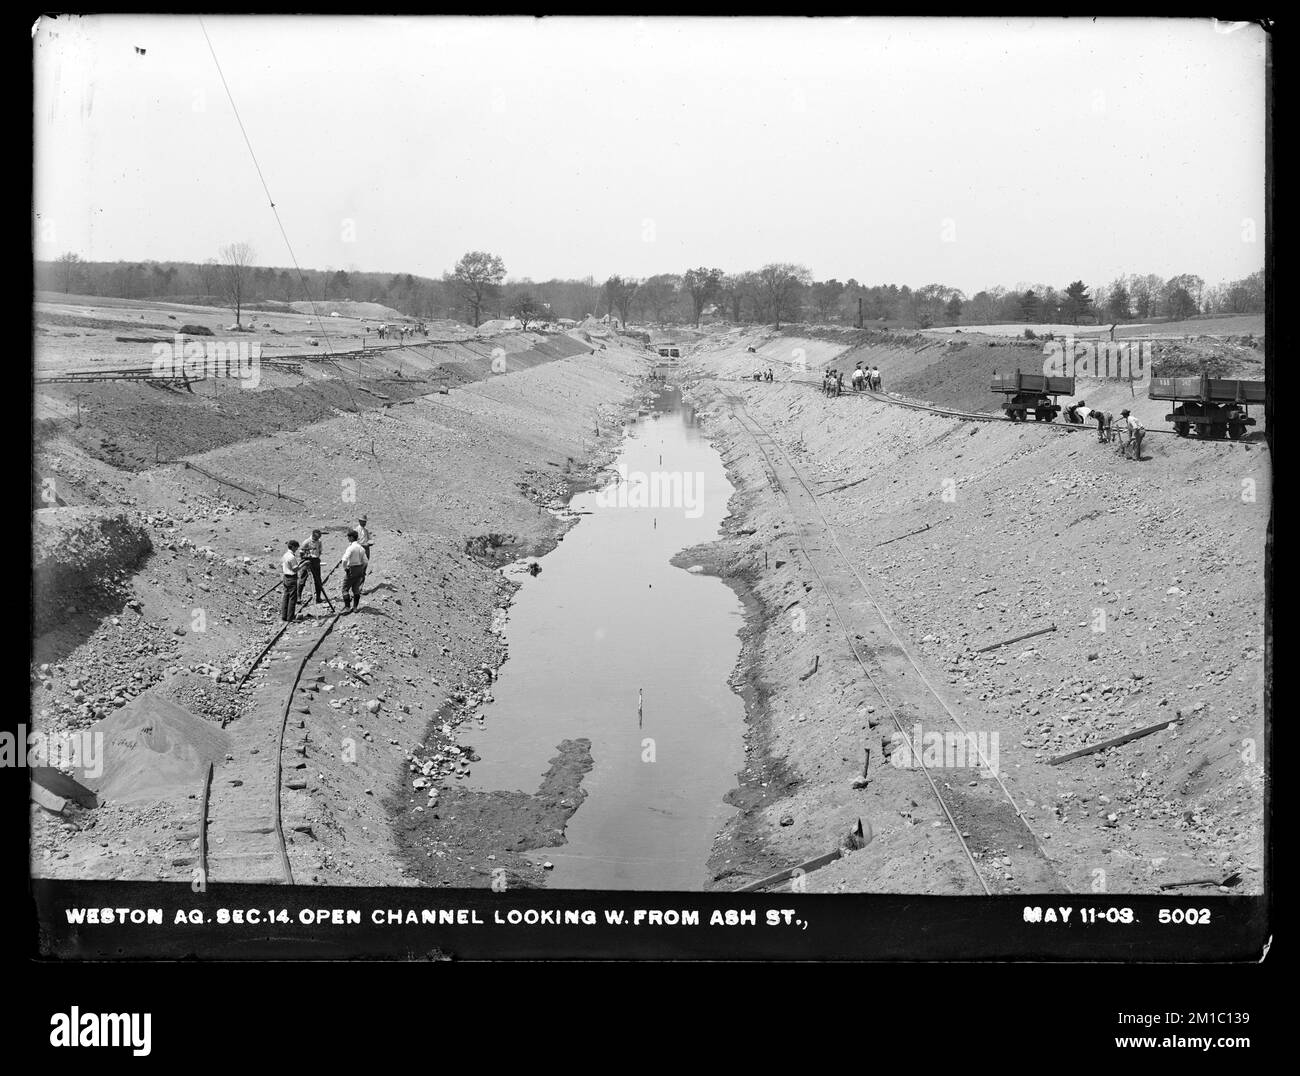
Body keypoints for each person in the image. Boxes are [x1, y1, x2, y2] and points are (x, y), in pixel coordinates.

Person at [339, 530, 369, 612]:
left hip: (352, 569)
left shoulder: (351, 548)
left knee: (345, 589)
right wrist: (362, 570)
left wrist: (345, 568)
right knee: (356, 589)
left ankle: (347, 608)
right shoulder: (361, 548)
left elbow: (344, 560)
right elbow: (366, 561)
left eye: (348, 537)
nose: (348, 538)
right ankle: (355, 607)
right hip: (359, 569)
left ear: (352, 537)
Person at [299, 529, 327, 606]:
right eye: (317, 537)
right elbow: (301, 553)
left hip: (316, 561)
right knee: (302, 579)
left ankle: (318, 597)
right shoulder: (306, 542)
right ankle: (298, 597)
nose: (318, 538)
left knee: (318, 579)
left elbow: (320, 551)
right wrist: (306, 559)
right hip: (307, 561)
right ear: (313, 535)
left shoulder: (319, 542)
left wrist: (316, 558)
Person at [279, 540, 302, 622]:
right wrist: (304, 565)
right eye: (296, 548)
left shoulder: (285, 555)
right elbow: (295, 569)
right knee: (292, 598)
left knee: (286, 596)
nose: (296, 549)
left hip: (285, 577)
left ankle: (284, 616)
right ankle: (290, 617)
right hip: (291, 578)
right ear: (292, 547)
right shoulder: (292, 557)